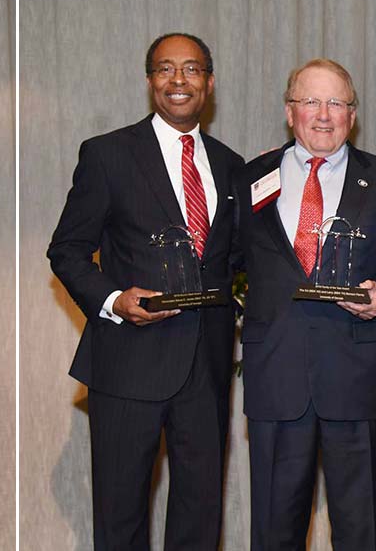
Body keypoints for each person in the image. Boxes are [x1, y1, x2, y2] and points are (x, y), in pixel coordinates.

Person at [47, 33, 242, 550]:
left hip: (206, 366)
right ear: (150, 80)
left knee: (200, 519)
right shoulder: (108, 155)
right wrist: (113, 301)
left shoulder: (231, 166)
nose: (179, 80)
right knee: (120, 515)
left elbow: (235, 259)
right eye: (165, 69)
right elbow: (66, 251)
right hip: (127, 362)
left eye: (192, 69)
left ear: (210, 82)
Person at [233, 58, 376, 550]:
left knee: (360, 532)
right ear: (290, 111)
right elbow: (218, 263)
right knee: (274, 533)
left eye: (337, 103)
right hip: (276, 377)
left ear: (353, 113)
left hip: (357, 378)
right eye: (311, 102)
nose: (324, 115)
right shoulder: (247, 179)